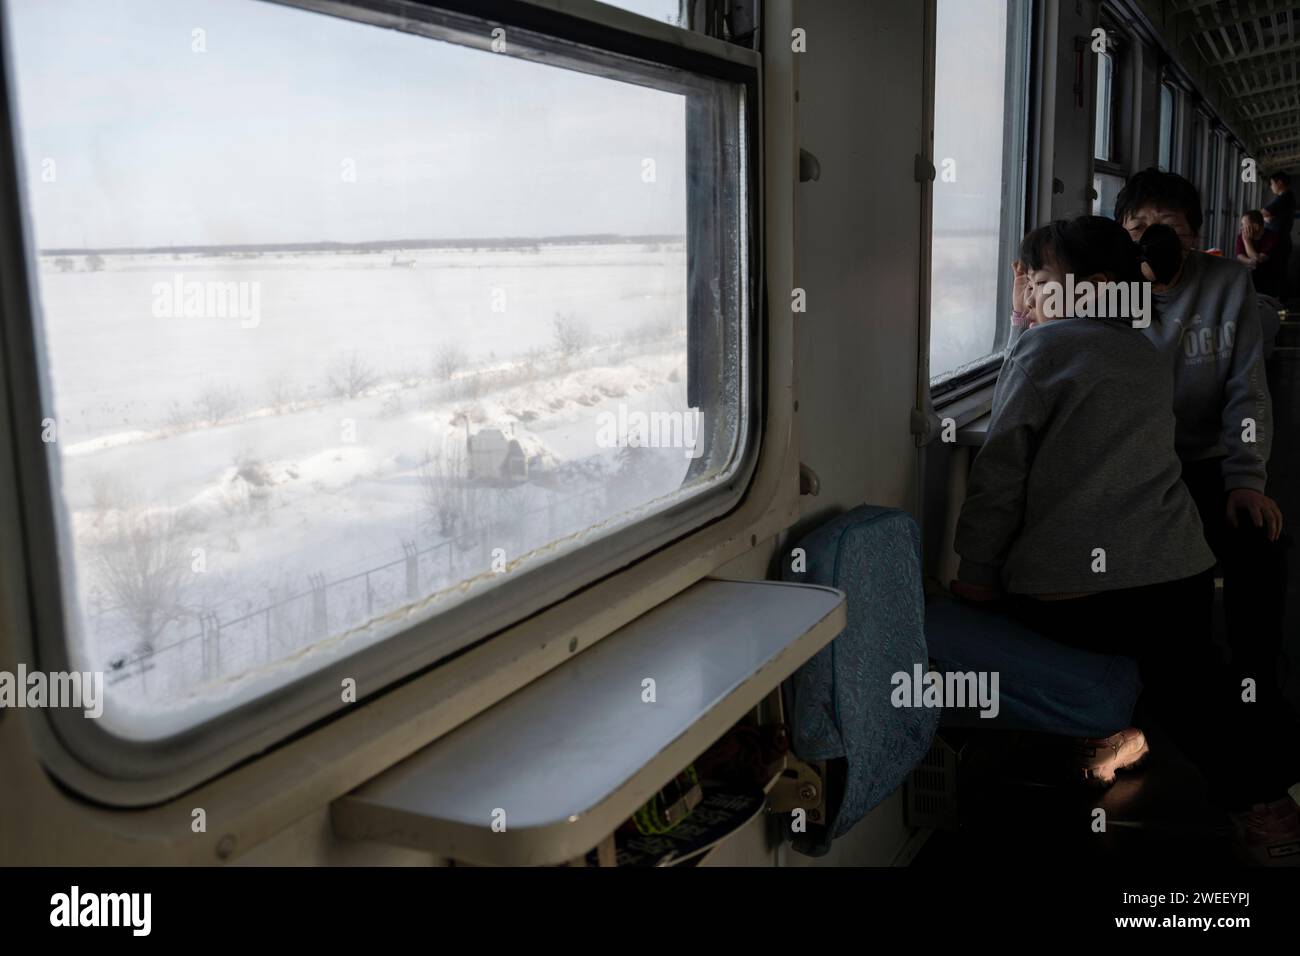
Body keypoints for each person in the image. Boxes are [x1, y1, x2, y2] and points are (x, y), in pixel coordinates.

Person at [952, 216, 1300, 862]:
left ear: (1093, 287)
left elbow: (998, 479)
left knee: (1177, 682)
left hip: (1079, 597)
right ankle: (1260, 796)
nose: (1026, 290)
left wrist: (975, 570)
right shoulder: (1143, 351)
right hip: (1181, 574)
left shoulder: (1039, 353)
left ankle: (1250, 793)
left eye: (1037, 278)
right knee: (1192, 678)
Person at [1235, 209, 1283, 298]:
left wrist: (1247, 241)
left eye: (1244, 225)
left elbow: (1258, 259)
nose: (1242, 228)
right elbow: (1239, 256)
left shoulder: (1272, 238)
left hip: (1269, 281)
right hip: (1249, 279)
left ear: (1256, 226)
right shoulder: (1241, 236)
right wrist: (1251, 262)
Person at [1264, 171, 1295, 299]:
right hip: (1280, 241)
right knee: (1279, 272)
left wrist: (1266, 218)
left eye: (1272, 183)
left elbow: (1264, 211)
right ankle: (1280, 300)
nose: (1271, 187)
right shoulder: (1286, 198)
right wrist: (1268, 218)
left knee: (1277, 272)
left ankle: (1280, 301)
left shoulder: (1285, 197)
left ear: (1279, 183)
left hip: (1279, 242)